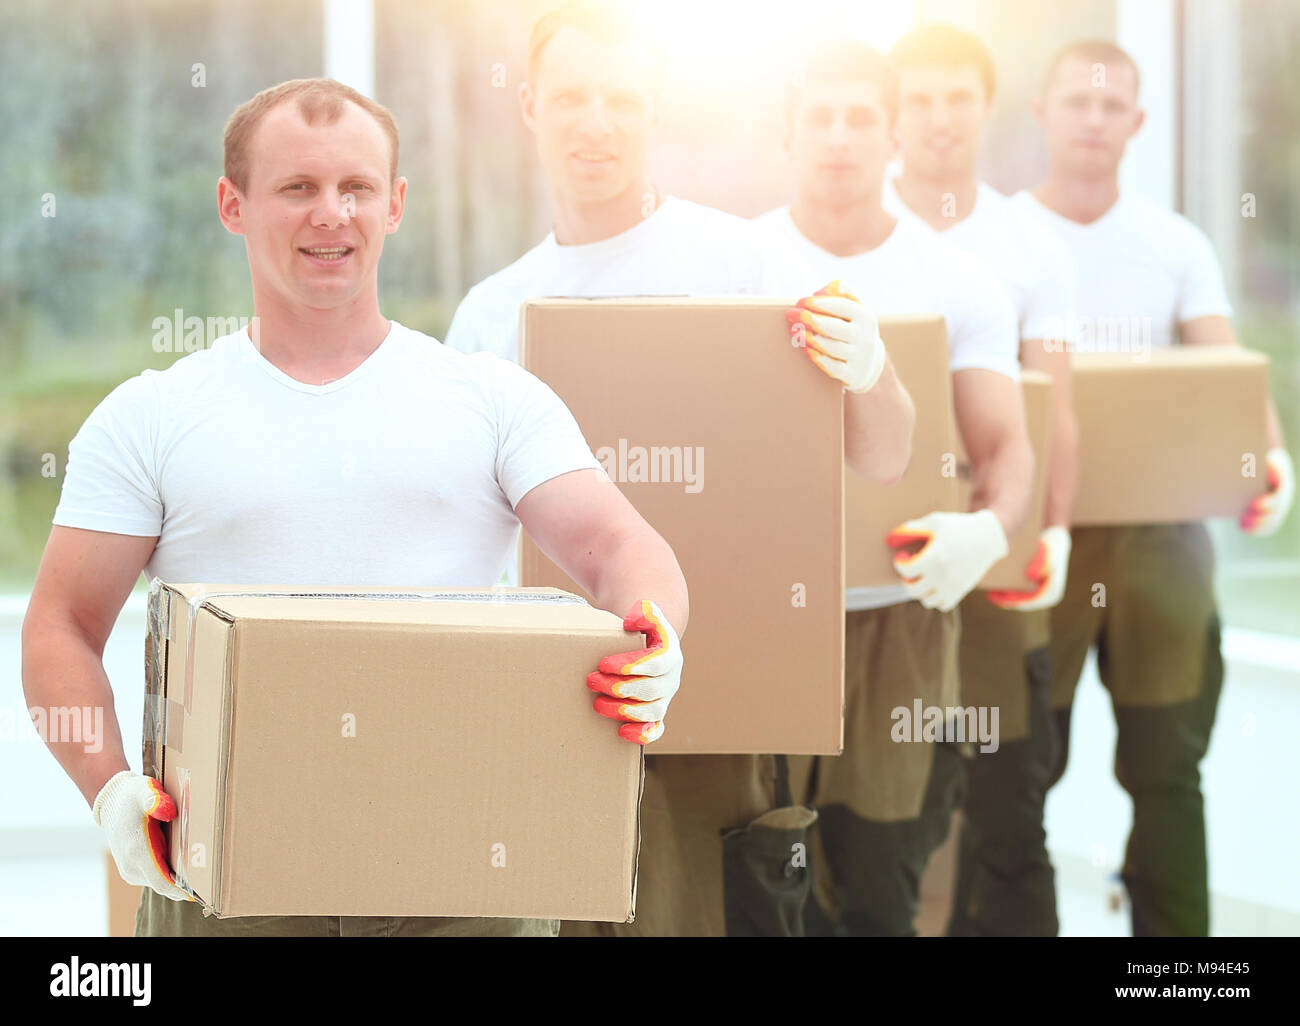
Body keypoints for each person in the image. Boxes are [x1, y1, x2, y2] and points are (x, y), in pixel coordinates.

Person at [21, 76, 692, 938]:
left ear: (396, 204)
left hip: (472, 870)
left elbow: (618, 547)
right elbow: (60, 624)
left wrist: (657, 632)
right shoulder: (150, 415)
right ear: (232, 204)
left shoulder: (490, 397)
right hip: (230, 879)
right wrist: (110, 789)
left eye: (357, 188)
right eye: (297, 187)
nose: (330, 213)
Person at [445, 0, 916, 936]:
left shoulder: (744, 265)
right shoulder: (494, 316)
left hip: (727, 711)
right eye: (573, 96)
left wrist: (873, 368)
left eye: (623, 98)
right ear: (531, 106)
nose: (597, 122)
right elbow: (462, 546)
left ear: (656, 112)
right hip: (560, 711)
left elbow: (885, 453)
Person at [1016, 39, 1294, 936]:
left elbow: (1229, 372)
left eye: (1112, 106)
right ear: (1042, 114)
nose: (1093, 121)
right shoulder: (1004, 237)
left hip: (1160, 544)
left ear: (1136, 122)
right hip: (1040, 542)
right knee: (1016, 772)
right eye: (1076, 103)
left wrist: (1271, 462)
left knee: (1168, 775)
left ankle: (1178, 975)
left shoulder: (1174, 244)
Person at [757, 40, 1033, 936]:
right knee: (763, 879)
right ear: (786, 136)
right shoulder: (732, 265)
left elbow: (1008, 449)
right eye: (819, 119)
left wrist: (987, 535)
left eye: (861, 118)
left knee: (882, 884)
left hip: (902, 620)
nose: (839, 139)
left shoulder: (957, 282)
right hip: (763, 620)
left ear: (895, 136)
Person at [883, 23, 1080, 936]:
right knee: (885, 830)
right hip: (869, 574)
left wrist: (1056, 529)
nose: (937, 120)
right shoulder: (847, 223)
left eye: (956, 99)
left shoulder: (1030, 244)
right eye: (918, 100)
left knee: (1007, 813)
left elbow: (1055, 411)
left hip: (996, 552)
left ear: (986, 107)